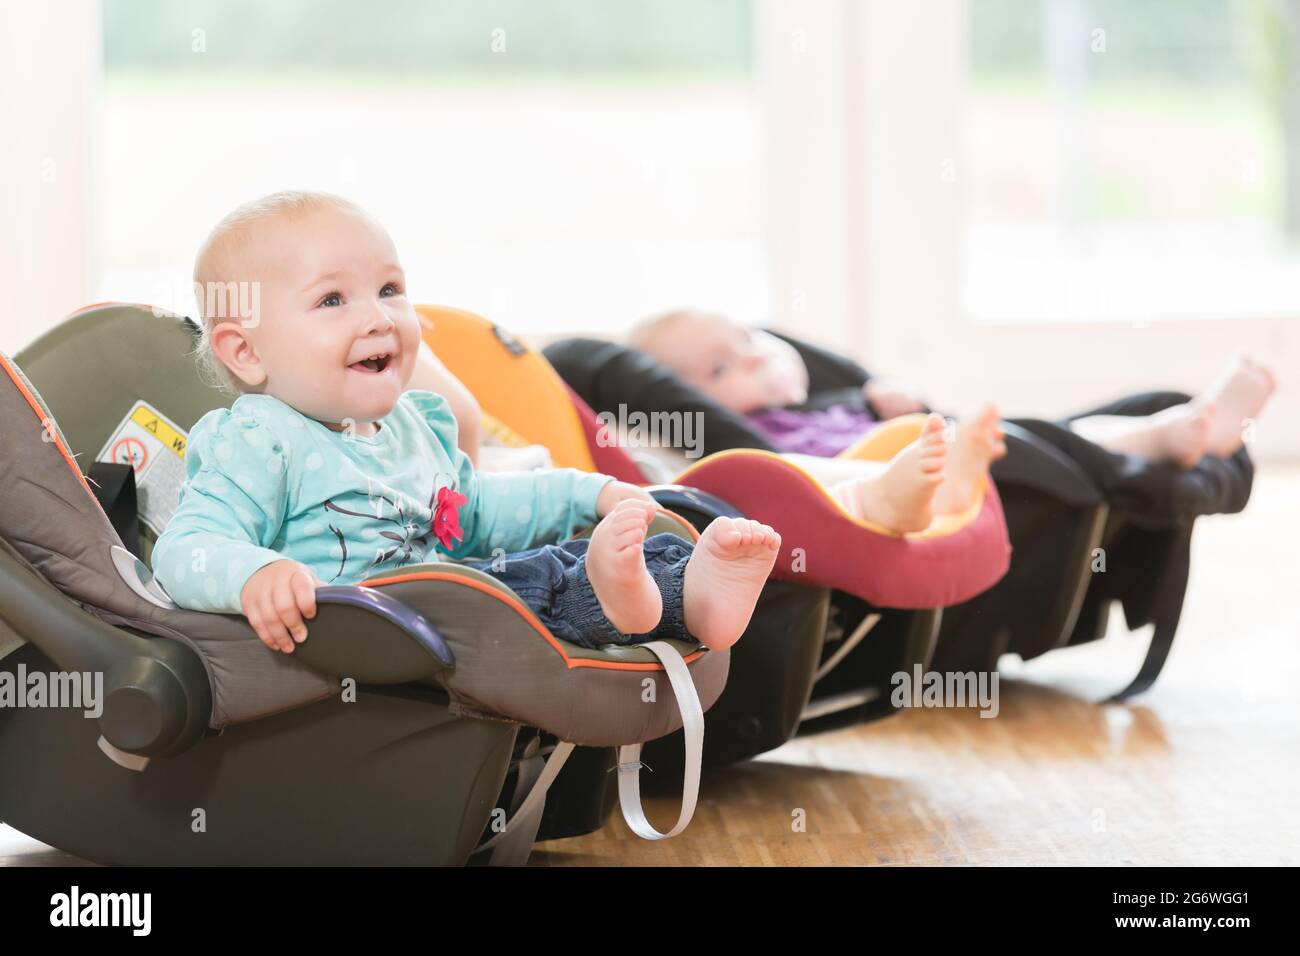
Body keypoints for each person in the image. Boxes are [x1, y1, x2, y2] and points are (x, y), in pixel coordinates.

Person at [151, 191, 782, 655]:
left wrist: (586, 492)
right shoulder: (260, 441)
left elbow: (476, 508)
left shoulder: (413, 426)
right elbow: (184, 551)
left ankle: (687, 592)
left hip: (446, 601)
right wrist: (255, 575)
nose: (379, 318)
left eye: (390, 289)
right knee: (525, 586)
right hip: (367, 633)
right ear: (247, 352)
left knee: (557, 560)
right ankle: (628, 596)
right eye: (333, 300)